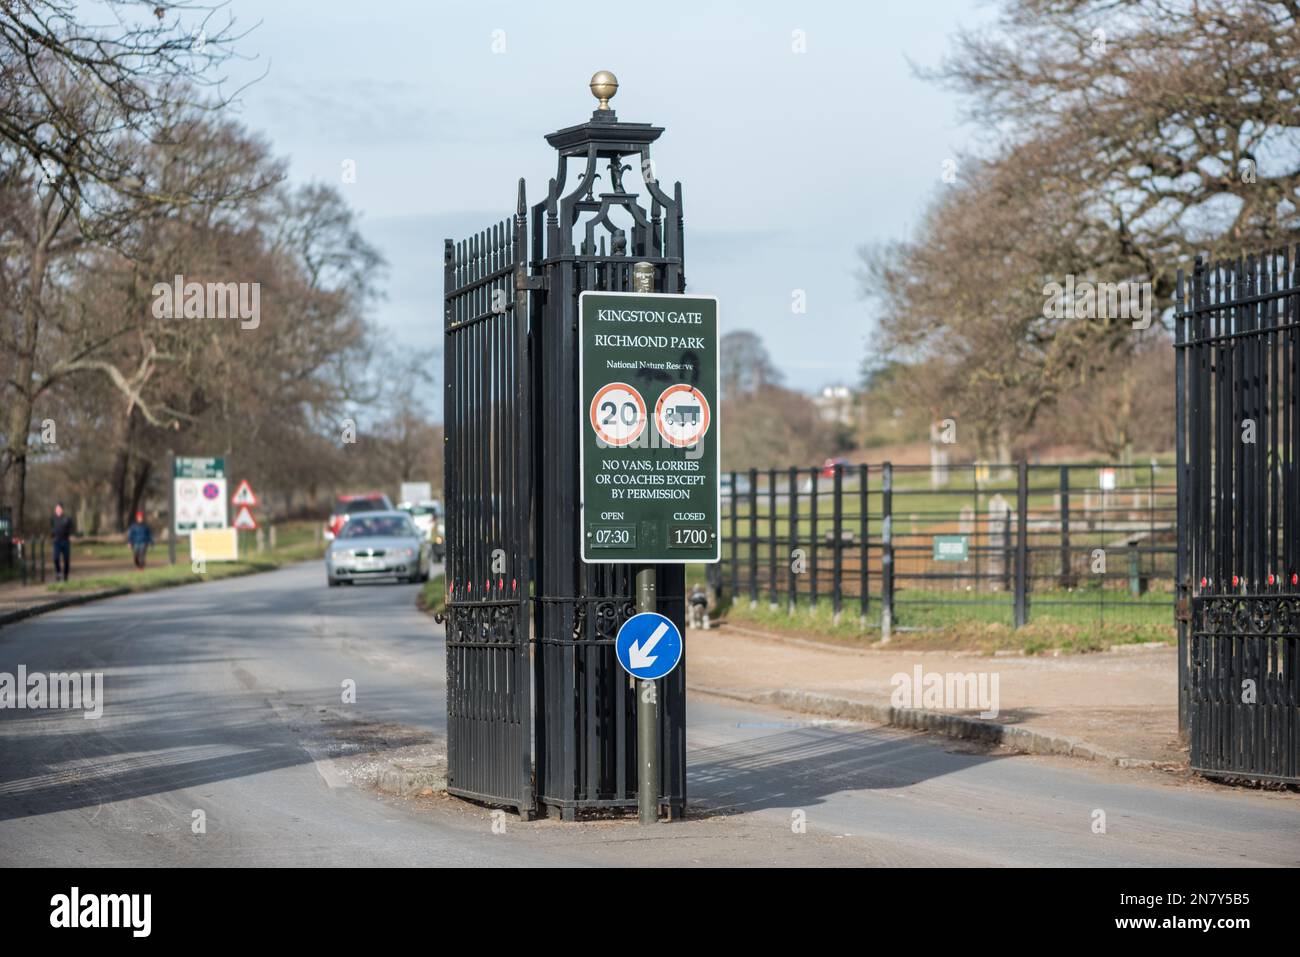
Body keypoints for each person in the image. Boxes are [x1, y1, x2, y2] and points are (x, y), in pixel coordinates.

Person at [51, 503, 74, 581]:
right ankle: (58, 572)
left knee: (66, 559)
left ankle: (66, 575)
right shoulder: (53, 519)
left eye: (59, 509)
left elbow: (71, 529)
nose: (58, 510)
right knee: (55, 558)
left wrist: (71, 535)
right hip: (56, 542)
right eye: (57, 509)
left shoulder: (67, 519)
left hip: (65, 541)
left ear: (62, 510)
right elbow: (52, 530)